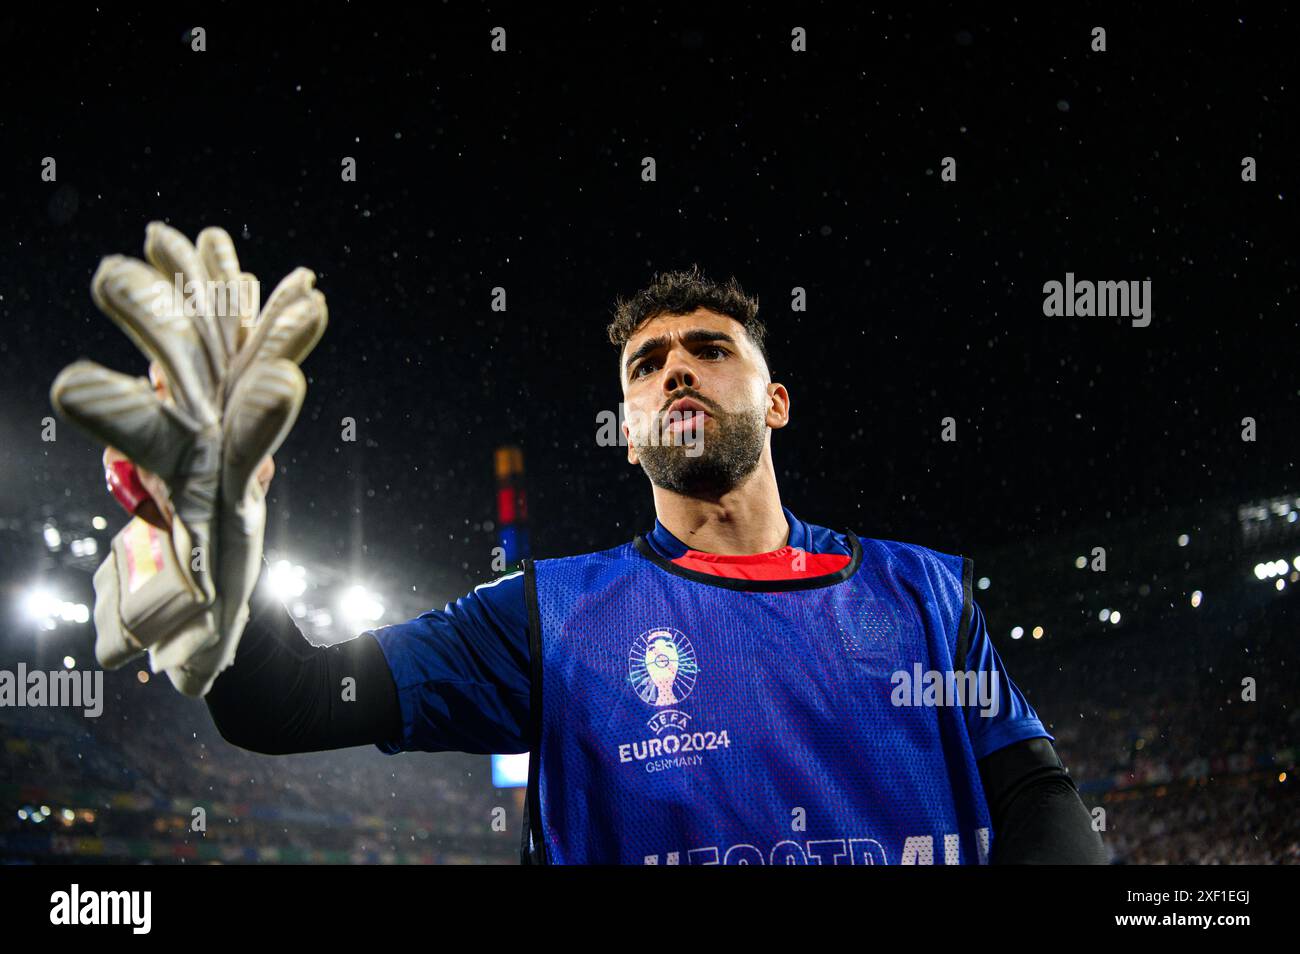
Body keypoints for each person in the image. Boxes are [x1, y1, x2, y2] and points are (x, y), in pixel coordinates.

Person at [107, 266, 1106, 865]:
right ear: (627, 434)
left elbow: (1033, 796)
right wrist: (213, 533)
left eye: (710, 348)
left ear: (776, 402)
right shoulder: (550, 615)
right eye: (647, 363)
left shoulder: (922, 592)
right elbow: (281, 704)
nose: (676, 365)